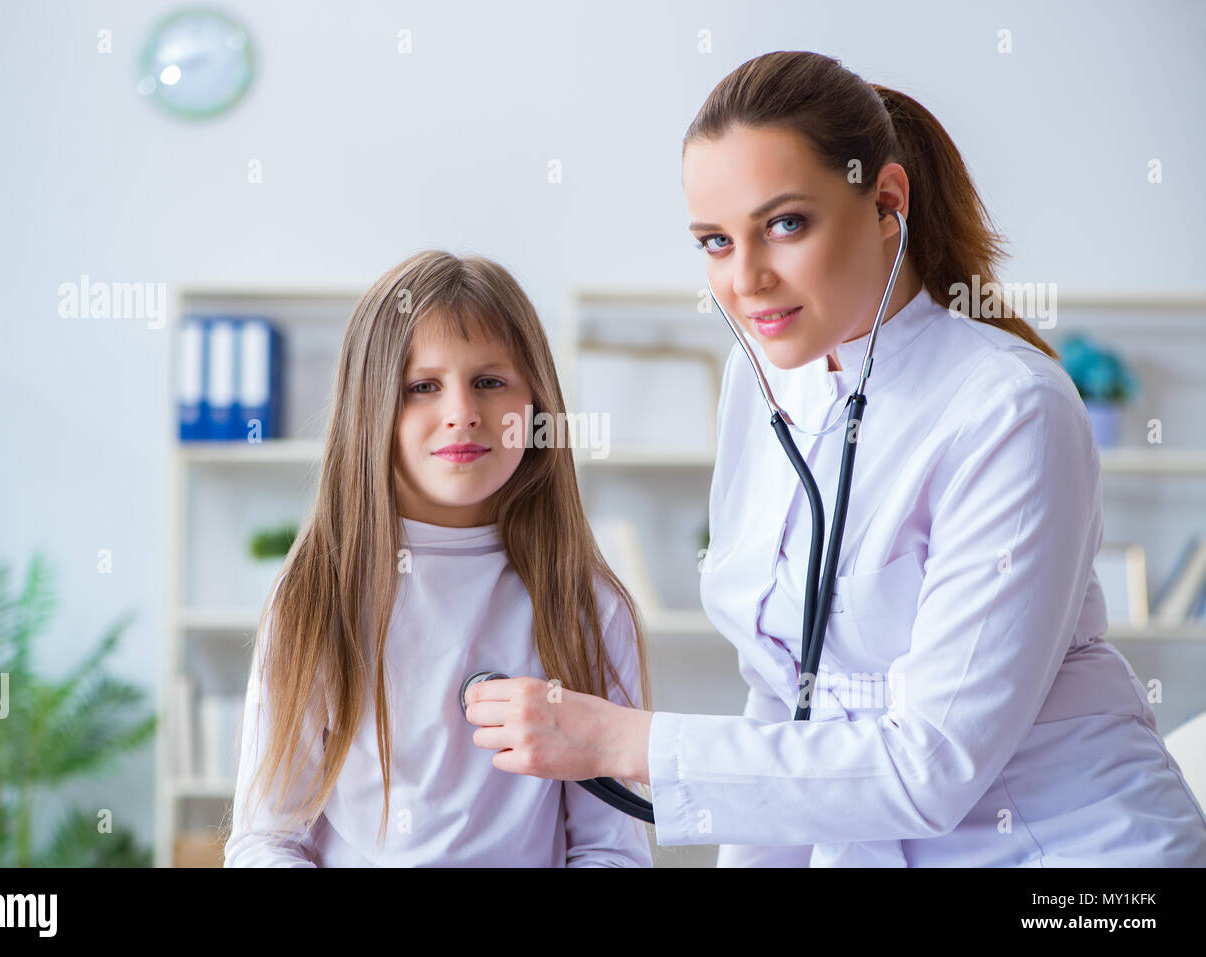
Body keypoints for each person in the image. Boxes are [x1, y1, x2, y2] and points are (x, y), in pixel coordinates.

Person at [465, 51, 1206, 866]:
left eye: (784, 224)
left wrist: (621, 741)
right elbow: (787, 691)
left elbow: (931, 765)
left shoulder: (1010, 407)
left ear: (887, 202)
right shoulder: (764, 389)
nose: (745, 279)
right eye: (715, 241)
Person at [223, 250, 652, 867]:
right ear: (370, 412)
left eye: (490, 382)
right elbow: (267, 841)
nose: (462, 414)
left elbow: (611, 850)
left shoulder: (587, 605)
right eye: (422, 387)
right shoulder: (316, 598)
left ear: (535, 407)